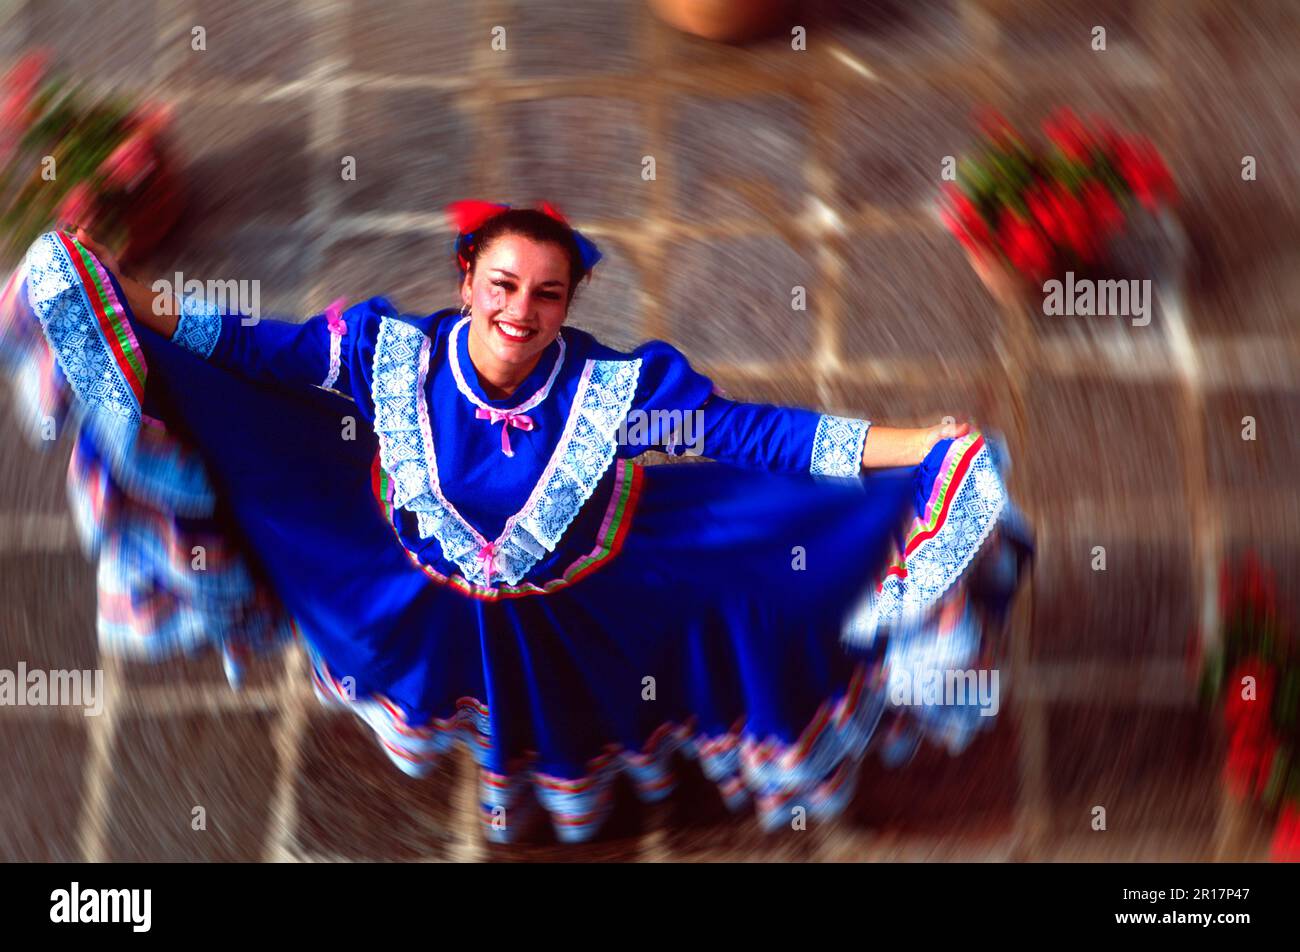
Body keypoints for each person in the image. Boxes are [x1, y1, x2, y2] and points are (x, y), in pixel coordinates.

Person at [0, 201, 1031, 843]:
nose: (520, 310)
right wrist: (139, 306)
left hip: (578, 608)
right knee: (442, 686)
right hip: (418, 597)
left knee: (700, 643)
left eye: (546, 293)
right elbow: (260, 354)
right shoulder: (385, 352)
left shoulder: (616, 391)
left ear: (568, 303)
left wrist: (913, 444)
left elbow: (757, 437)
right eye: (502, 284)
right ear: (467, 281)